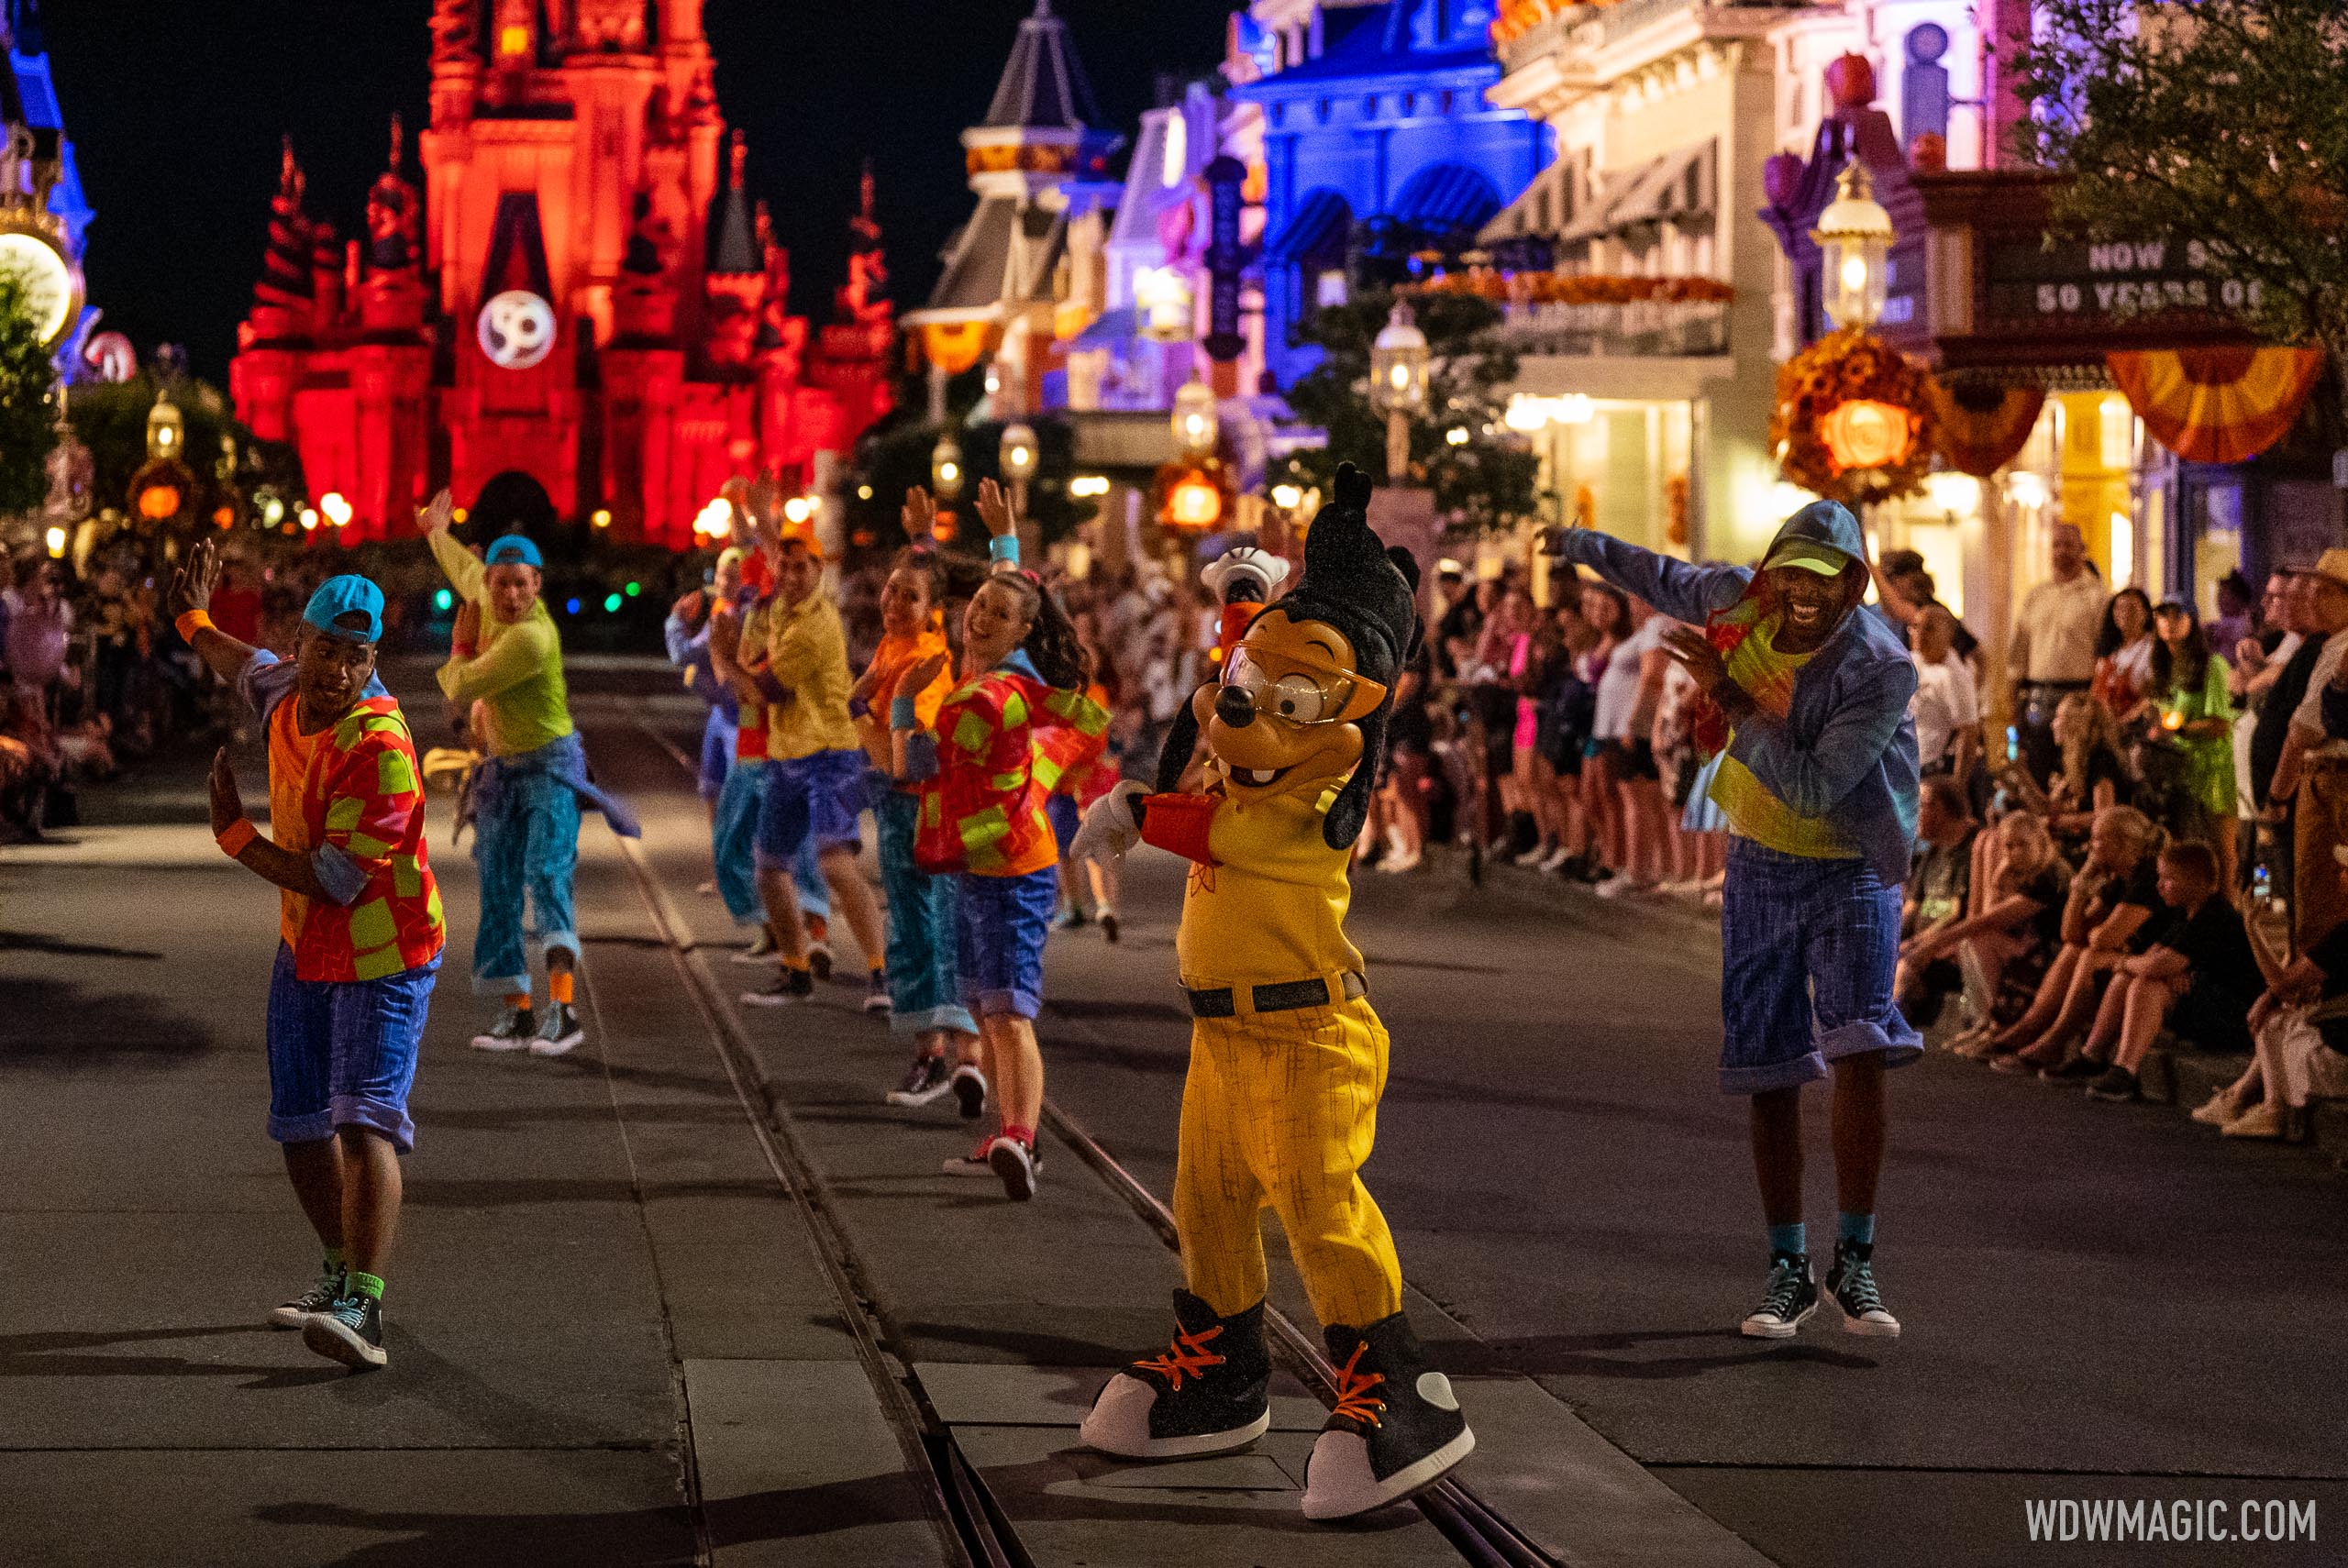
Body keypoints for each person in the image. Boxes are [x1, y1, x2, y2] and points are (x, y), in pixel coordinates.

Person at [1074, 463, 1473, 1520]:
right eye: (1248, 688)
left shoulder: (1312, 797)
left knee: (1319, 1208)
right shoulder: (1257, 741)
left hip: (1306, 1032)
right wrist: (1238, 614)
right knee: (1205, 1208)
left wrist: (1128, 807)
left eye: (1292, 699)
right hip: (1223, 1036)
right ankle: (1222, 1369)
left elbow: (1223, 820)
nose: (1245, 716)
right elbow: (1247, 693)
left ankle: (1402, 1386)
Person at [1548, 498, 1921, 1340]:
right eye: (1790, 571)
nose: (1801, 591)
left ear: (1855, 584)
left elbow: (1820, 784)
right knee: (1767, 1061)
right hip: (1758, 858)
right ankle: (1787, 1266)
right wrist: (1576, 543)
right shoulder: (1737, 600)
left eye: (1823, 579)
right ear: (1769, 570)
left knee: (1861, 1043)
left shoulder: (1880, 665)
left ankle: (1854, 1259)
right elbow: (1659, 574)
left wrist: (1728, 697)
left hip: (1851, 864)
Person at [172, 542, 443, 1373]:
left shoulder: (382, 750)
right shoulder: (281, 689)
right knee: (298, 1120)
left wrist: (235, 837)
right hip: (306, 947)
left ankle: (367, 1302)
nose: (338, 669)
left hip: (383, 952)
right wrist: (191, 618)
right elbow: (235, 662)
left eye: (358, 656)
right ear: (303, 646)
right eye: (327, 650)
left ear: (373, 661)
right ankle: (335, 1274)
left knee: (363, 1120)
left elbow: (333, 879)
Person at [898, 484, 1108, 1198]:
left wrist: (901, 721)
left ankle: (1021, 1137)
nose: (980, 617)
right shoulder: (978, 673)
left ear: (1022, 633)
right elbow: (938, 762)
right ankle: (1005, 1136)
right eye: (978, 608)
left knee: (1010, 1012)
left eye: (999, 615)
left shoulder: (1004, 687)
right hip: (977, 864)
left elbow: (925, 764)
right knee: (989, 1010)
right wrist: (995, 549)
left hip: (1017, 869)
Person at [423, 492, 637, 1054]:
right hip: (501, 769)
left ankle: (562, 1010)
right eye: (501, 584)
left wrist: (460, 646)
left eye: (522, 584)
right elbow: (462, 567)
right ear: (491, 586)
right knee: (497, 884)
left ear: (538, 584)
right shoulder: (487, 595)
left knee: (545, 874)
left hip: (549, 768)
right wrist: (434, 532)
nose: (511, 594)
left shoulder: (531, 638)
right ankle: (518, 1012)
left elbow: (461, 685)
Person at [737, 502, 891, 1010]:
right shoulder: (780, 607)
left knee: (836, 865)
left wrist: (719, 660)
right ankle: (796, 968)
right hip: (787, 754)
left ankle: (881, 974)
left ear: (820, 571)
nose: (793, 574)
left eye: (803, 566)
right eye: (787, 566)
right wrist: (756, 520)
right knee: (769, 866)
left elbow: (765, 688)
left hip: (832, 755)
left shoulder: (818, 624)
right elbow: (749, 654)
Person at [859, 503, 985, 1114]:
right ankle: (962, 1058)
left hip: (918, 809)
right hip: (902, 810)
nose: (892, 603)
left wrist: (866, 713)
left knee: (922, 929)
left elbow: (911, 760)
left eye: (907, 596)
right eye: (888, 591)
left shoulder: (924, 663)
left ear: (933, 609)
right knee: (926, 926)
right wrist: (921, 537)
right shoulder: (897, 645)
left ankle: (942, 1056)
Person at [1983, 806, 2165, 1076]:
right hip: (2127, 960)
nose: (2091, 847)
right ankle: (2031, 1026)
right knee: (2072, 950)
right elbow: (2070, 934)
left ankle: (2055, 1039)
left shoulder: (2147, 876)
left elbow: (2103, 938)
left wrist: (2094, 934)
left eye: (2098, 839)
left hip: (2157, 967)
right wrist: (2079, 888)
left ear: (2123, 842)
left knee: (2089, 955)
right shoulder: (2117, 879)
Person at [2073, 841, 2259, 1102]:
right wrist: (2154, 968)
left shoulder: (2215, 916)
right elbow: (2153, 958)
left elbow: (2152, 966)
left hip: (2235, 1018)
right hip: (2205, 1001)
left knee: (2146, 983)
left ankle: (2125, 1070)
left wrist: (2127, 962)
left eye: (2168, 878)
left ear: (2195, 881)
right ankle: (2091, 1054)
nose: (2159, 885)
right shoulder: (2186, 914)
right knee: (2130, 978)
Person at [1935, 812, 2073, 1052]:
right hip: (2030, 947)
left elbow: (1991, 920)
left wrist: (1933, 944)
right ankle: (1986, 1021)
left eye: (2023, 845)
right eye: (2008, 846)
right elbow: (1993, 913)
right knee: (1970, 940)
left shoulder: (2049, 876)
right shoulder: (2023, 872)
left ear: (2040, 842)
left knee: (1980, 938)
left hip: (2053, 955)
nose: (2015, 852)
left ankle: (1999, 1024)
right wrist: (1999, 877)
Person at [2143, 598, 2237, 889]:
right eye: (2162, 616)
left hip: (2213, 767)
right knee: (2184, 847)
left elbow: (2220, 723)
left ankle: (2226, 909)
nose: (2169, 622)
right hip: (2177, 768)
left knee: (2220, 848)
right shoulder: (2163, 668)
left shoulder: (2212, 666)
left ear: (2191, 622)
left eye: (2177, 616)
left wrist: (2179, 730)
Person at [2008, 524, 2108, 785]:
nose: (2061, 552)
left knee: (2076, 772)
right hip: (2037, 696)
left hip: (2078, 695)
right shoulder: (2036, 596)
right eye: (2056, 545)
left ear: (2081, 550)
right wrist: (2011, 705)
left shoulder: (2097, 597)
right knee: (2037, 769)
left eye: (2068, 545)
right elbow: (2018, 656)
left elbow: (2103, 654)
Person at [1895, 777, 1977, 1026]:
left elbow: (1955, 913)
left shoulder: (1969, 849)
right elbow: (1912, 907)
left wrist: (1919, 942)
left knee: (1904, 966)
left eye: (1922, 804)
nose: (1915, 812)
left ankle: (1890, 1027)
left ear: (1941, 809)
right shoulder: (1931, 852)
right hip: (1921, 942)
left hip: (1947, 946)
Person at [1909, 604, 1979, 779]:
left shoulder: (1955, 676)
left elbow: (1968, 732)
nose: (1921, 633)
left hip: (1931, 770)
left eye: (1930, 628)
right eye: (1917, 627)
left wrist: (1958, 785)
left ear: (1948, 634)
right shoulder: (1911, 662)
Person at [2089, 586, 2157, 721]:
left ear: (2145, 613)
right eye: (2119, 608)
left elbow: (2153, 696)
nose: (2125, 613)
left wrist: (2128, 719)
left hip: (2134, 728)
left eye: (2132, 608)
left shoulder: (2151, 650)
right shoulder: (2111, 650)